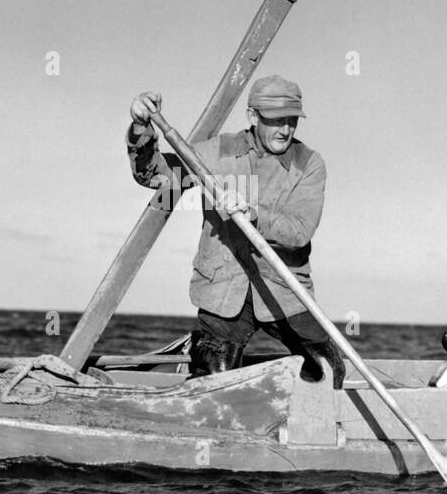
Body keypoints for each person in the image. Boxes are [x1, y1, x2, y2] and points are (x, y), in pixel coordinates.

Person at [125, 74, 345, 387]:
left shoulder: (310, 164)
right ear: (253, 117)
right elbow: (154, 176)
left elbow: (300, 231)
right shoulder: (215, 152)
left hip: (283, 288)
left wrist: (254, 214)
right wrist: (141, 127)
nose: (285, 129)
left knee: (329, 373)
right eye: (276, 120)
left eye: (292, 120)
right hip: (223, 289)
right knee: (216, 378)